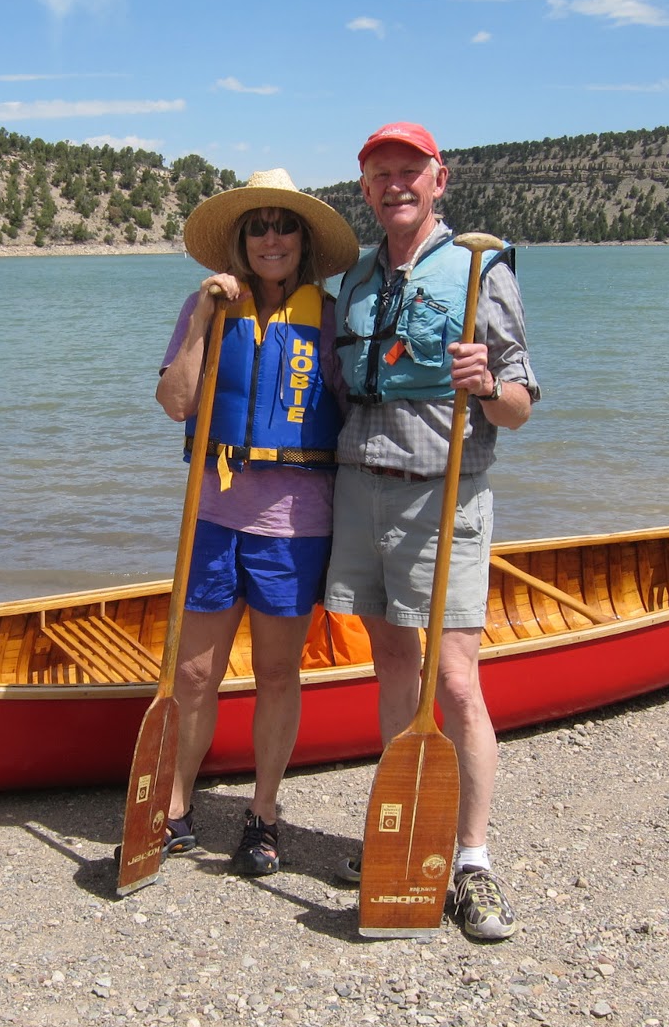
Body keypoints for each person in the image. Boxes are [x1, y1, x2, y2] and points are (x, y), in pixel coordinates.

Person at [324, 122, 539, 939]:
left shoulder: (481, 270)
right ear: (368, 189)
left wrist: (486, 384)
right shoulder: (359, 276)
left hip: (441, 499)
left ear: (438, 181)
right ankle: (406, 825)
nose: (395, 185)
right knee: (391, 664)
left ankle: (473, 862)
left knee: (453, 682)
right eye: (380, 174)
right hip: (359, 491)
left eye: (409, 171)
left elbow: (518, 408)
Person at [156, 168, 360, 876]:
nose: (272, 237)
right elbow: (175, 403)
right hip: (213, 517)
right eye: (258, 226)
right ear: (241, 241)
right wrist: (205, 322)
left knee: (277, 675)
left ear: (303, 240)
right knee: (192, 676)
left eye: (285, 224)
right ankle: (175, 806)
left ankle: (263, 815)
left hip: (296, 526)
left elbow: (361, 415)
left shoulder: (331, 319)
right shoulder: (204, 307)